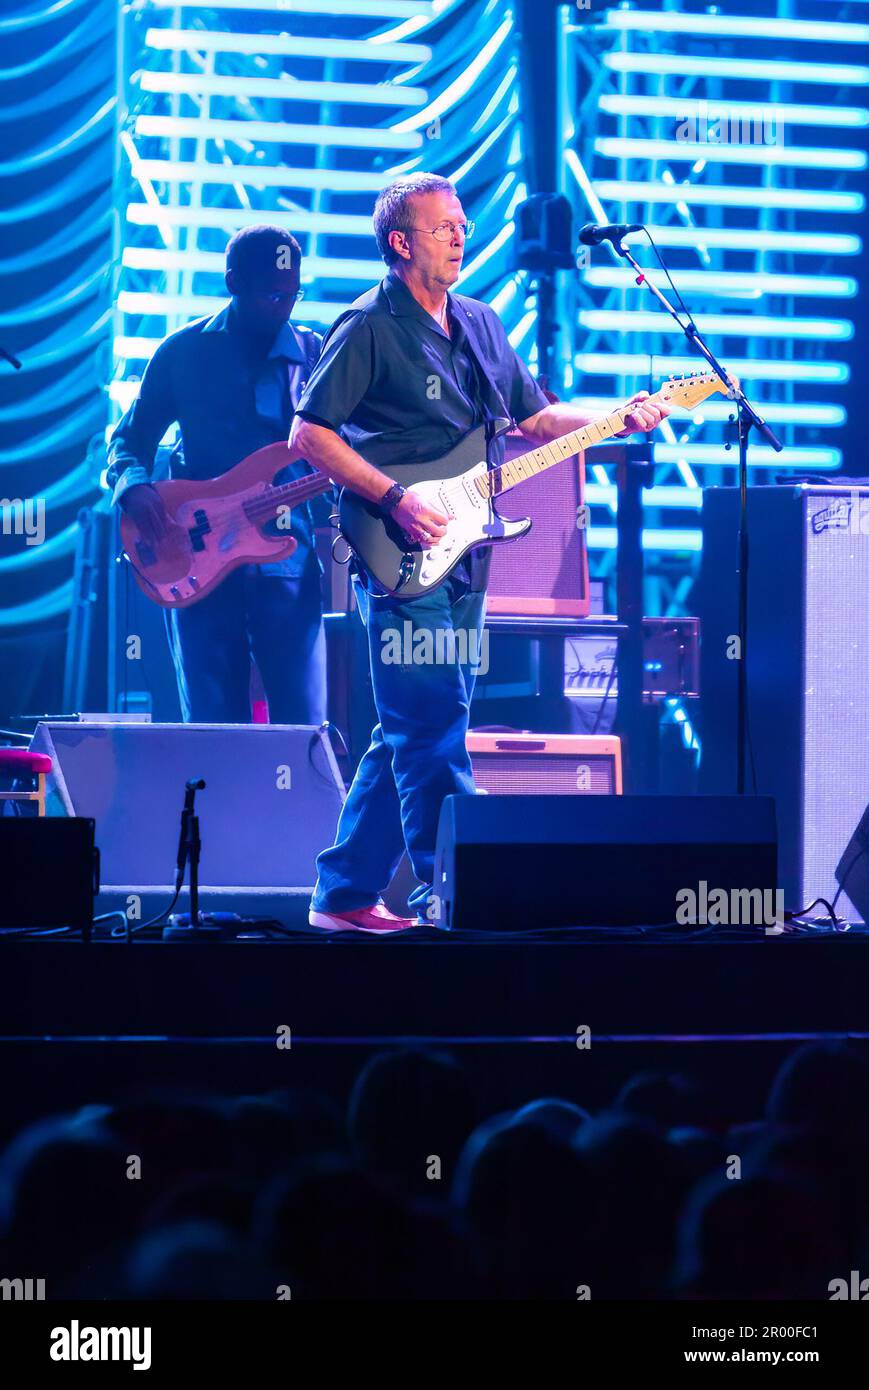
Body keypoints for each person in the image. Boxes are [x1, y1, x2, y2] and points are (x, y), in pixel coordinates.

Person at [290, 173, 669, 933]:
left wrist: (614, 418)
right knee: (430, 723)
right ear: (400, 244)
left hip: (465, 549)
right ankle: (446, 895)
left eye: (462, 224)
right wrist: (397, 497)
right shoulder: (367, 326)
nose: (460, 236)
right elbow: (309, 434)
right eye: (442, 228)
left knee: (412, 721)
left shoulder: (480, 324)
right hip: (399, 547)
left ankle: (342, 896)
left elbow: (533, 419)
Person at [107, 225, 328, 724]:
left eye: (293, 294)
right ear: (233, 282)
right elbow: (129, 439)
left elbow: (352, 440)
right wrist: (135, 487)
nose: (285, 306)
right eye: (272, 294)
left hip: (286, 562)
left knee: (305, 725)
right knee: (211, 722)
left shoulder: (313, 354)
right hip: (195, 557)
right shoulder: (182, 353)